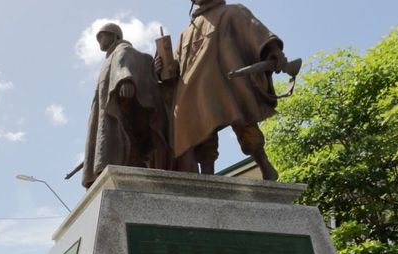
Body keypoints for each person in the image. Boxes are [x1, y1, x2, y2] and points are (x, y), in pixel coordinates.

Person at [159, 0, 288, 179]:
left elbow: (254, 31)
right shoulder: (186, 33)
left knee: (246, 127)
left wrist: (273, 50)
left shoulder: (232, 12)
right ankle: (208, 177)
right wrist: (161, 67)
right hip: (196, 91)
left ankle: (263, 163)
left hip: (227, 83)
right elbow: (176, 66)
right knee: (202, 135)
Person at [82, 22, 172, 189]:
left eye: (103, 35)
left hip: (118, 111)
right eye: (98, 38)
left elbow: (125, 64)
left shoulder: (123, 49)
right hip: (105, 112)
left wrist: (126, 80)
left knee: (120, 143)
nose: (100, 40)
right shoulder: (108, 58)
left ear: (115, 36)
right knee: (110, 144)